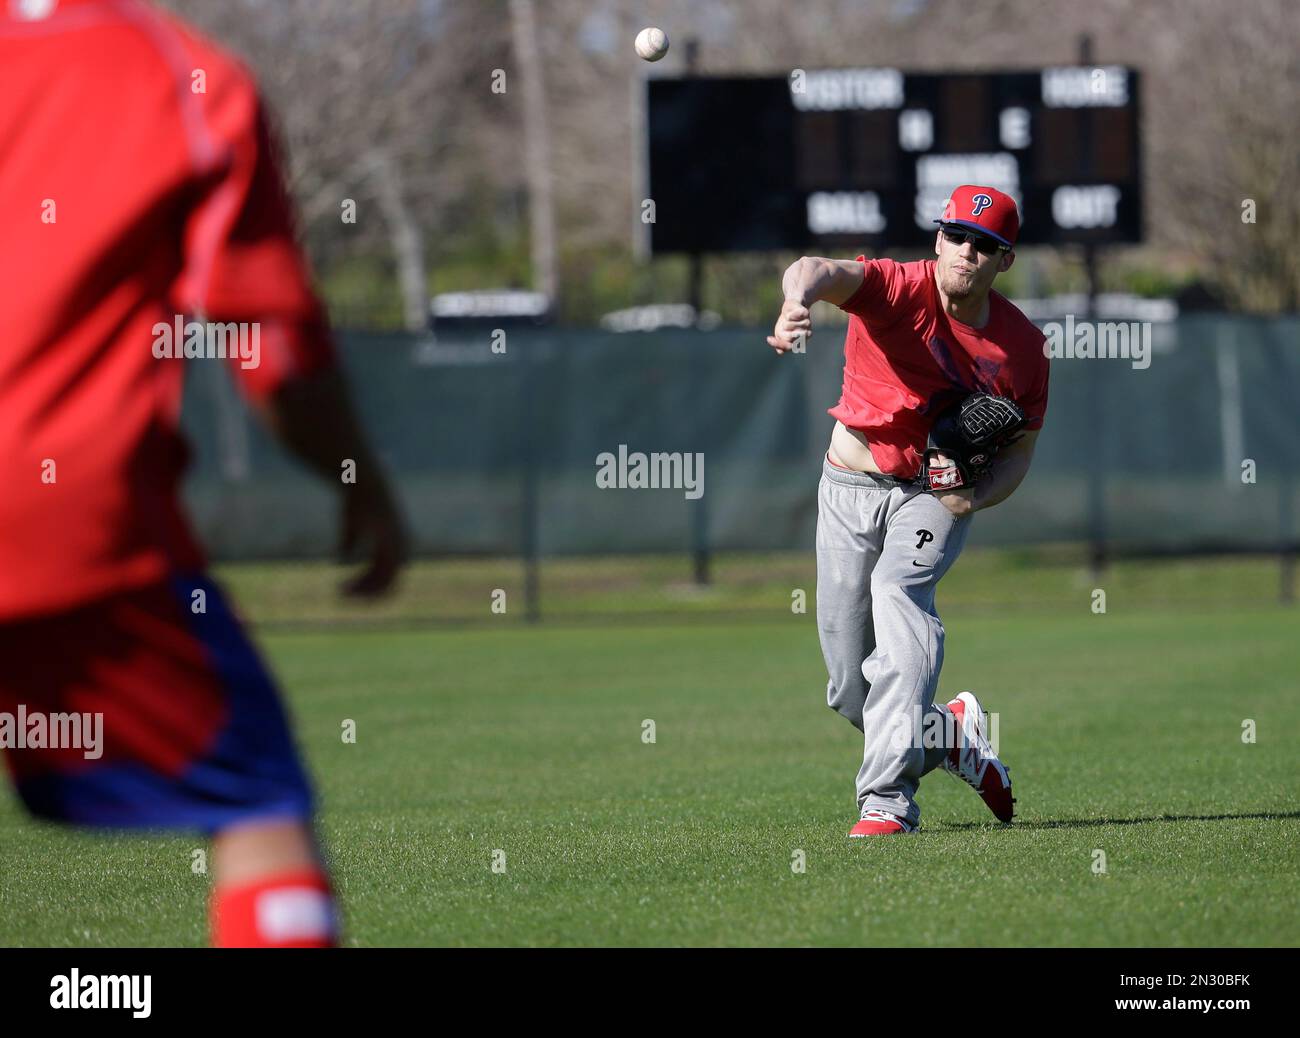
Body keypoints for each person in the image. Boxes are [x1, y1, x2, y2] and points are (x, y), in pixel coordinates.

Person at [0, 0, 406, 942]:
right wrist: (360, 484)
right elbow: (273, 345)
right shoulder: (178, 74)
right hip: (56, 518)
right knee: (256, 806)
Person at [766, 185, 1049, 835]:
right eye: (957, 236)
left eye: (986, 246)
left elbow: (1020, 455)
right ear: (938, 238)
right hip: (849, 484)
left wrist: (971, 497)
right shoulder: (894, 289)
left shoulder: (1023, 349)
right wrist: (794, 302)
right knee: (847, 686)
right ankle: (949, 738)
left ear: (1005, 261)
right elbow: (819, 270)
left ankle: (887, 800)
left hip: (931, 493)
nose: (967, 252)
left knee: (900, 595)